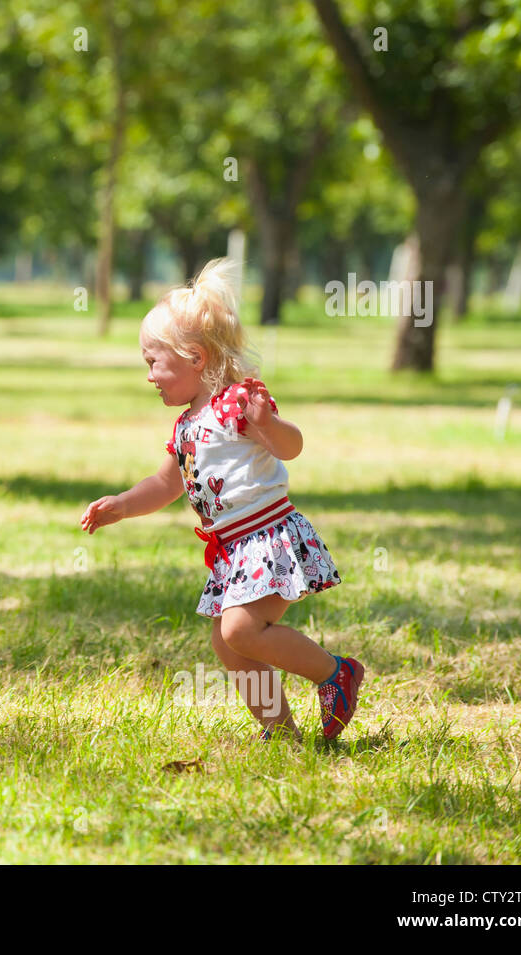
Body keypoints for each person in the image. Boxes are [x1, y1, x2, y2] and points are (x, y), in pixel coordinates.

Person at [79, 258, 363, 742]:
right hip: (234, 549)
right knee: (230, 644)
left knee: (238, 632)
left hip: (269, 538)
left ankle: (336, 674)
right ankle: (282, 732)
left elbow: (291, 447)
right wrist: (123, 504)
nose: (149, 375)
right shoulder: (186, 424)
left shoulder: (236, 403)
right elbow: (166, 484)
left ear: (195, 357)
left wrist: (268, 424)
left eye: (153, 362)